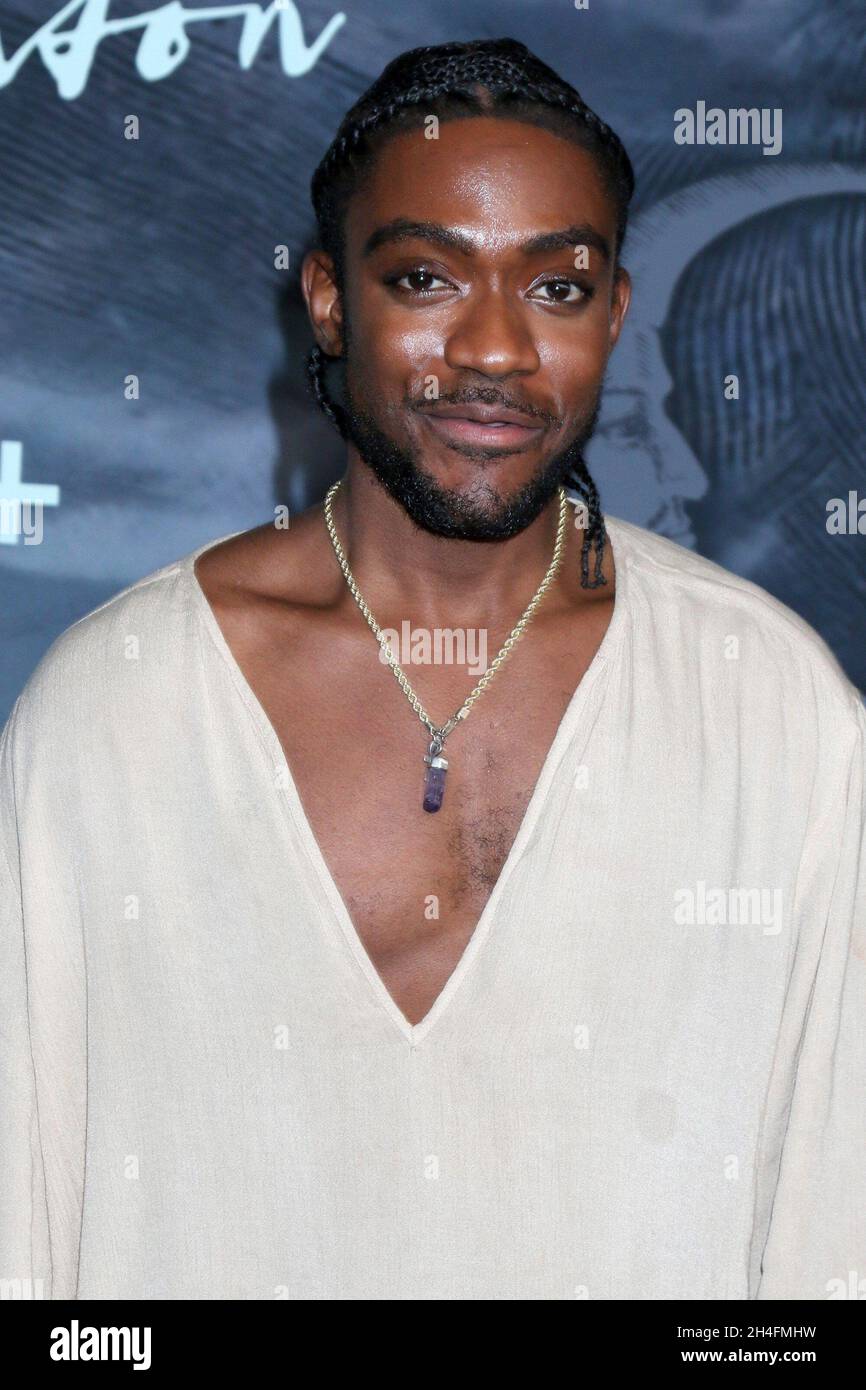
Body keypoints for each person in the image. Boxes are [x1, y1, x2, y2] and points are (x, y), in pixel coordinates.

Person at [1, 37, 863, 1302]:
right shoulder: (114, 706)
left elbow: (824, 1246)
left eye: (556, 289)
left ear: (615, 315)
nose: (496, 349)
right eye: (425, 276)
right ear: (329, 300)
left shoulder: (775, 711)